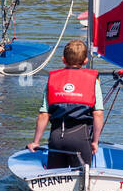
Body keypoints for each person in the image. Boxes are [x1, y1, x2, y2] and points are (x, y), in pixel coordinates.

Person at [27, 39, 104, 169]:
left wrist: (36, 142)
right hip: (81, 138)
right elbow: (98, 114)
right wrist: (95, 141)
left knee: (55, 179)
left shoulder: (53, 80)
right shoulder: (92, 81)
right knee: (82, 179)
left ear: (63, 60)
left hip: (56, 139)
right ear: (85, 61)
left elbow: (43, 115)